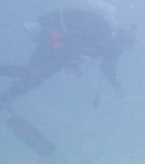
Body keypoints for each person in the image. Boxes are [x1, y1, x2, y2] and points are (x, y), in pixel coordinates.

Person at [1, 8, 135, 107]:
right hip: (54, 44)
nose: (118, 51)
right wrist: (70, 59)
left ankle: (6, 99)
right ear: (118, 39)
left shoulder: (110, 49)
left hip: (61, 53)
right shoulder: (98, 29)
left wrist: (116, 85)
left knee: (35, 76)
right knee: (33, 73)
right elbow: (73, 40)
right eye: (121, 47)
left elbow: (107, 67)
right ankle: (7, 98)